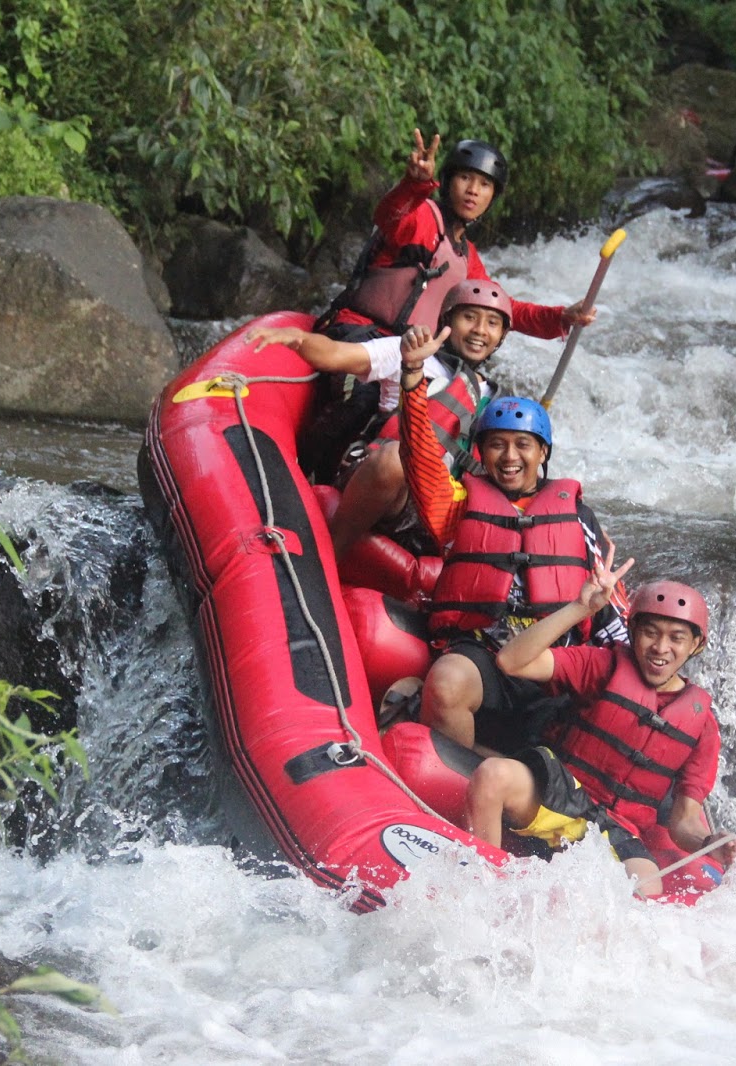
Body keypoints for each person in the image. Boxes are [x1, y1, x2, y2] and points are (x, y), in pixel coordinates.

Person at [300, 130, 596, 482]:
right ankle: (306, 474)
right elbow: (390, 217)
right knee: (362, 399)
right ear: (449, 181)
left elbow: (502, 309)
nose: (473, 190)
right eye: (466, 178)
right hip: (358, 332)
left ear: (491, 197)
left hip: (411, 354)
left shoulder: (466, 258)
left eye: (484, 185)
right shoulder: (422, 216)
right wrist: (413, 183)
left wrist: (561, 318)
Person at [465, 561, 736, 898]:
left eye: (676, 638)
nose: (660, 647)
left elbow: (684, 820)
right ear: (633, 632)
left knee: (647, 887)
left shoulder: (703, 727)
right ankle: (484, 892)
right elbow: (511, 661)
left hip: (620, 829)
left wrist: (709, 842)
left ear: (696, 645)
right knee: (493, 775)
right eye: (650, 632)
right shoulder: (603, 664)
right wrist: (581, 608)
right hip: (562, 791)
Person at [399, 365, 628, 753]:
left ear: (543, 452)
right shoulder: (458, 504)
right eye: (497, 444)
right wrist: (411, 380)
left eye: (523, 444)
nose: (509, 457)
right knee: (448, 681)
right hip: (481, 654)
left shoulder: (577, 515)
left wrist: (630, 663)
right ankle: (457, 794)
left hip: (555, 660)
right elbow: (420, 461)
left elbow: (607, 597)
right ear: (480, 451)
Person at [249, 278, 512, 559]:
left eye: (492, 323)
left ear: (501, 337)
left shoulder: (497, 400)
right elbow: (337, 354)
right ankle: (327, 556)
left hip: (437, 506)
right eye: (469, 317)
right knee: (395, 459)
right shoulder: (407, 351)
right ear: (447, 319)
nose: (480, 331)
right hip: (382, 478)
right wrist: (298, 339)